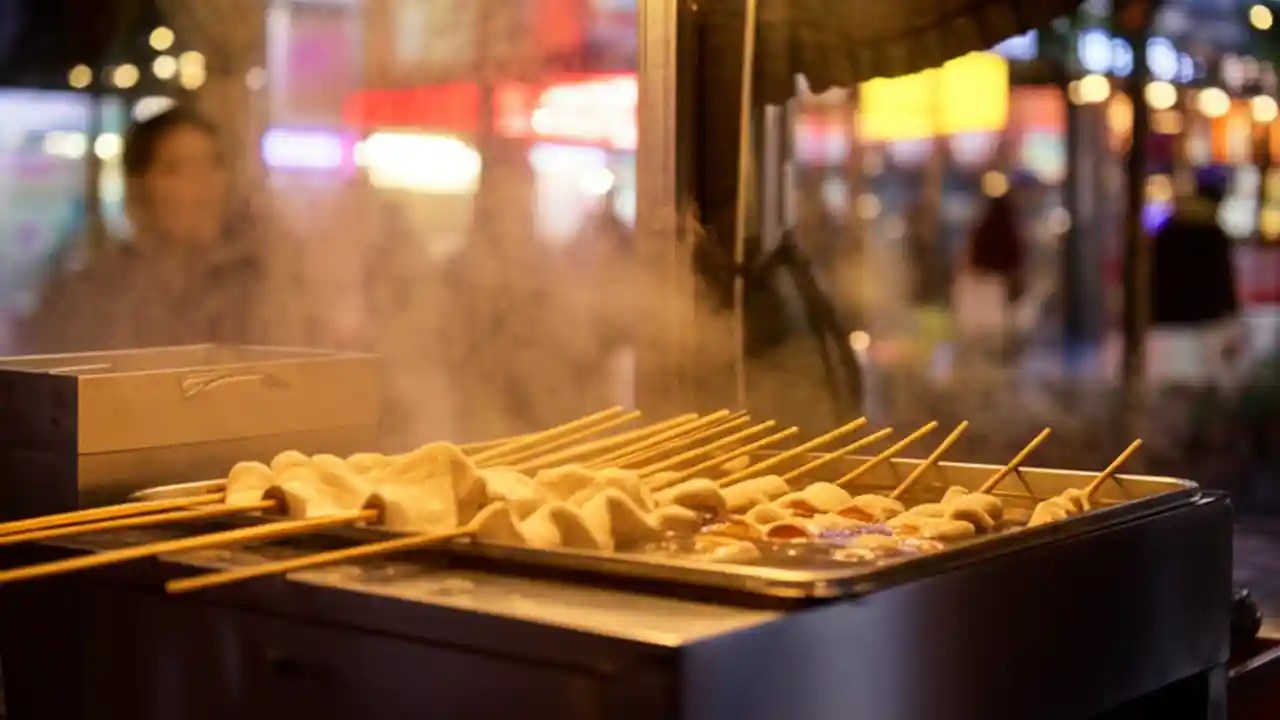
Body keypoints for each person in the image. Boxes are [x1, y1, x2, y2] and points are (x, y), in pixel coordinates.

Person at [20, 106, 310, 353]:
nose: (204, 186)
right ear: (137, 186)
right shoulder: (89, 296)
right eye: (178, 168)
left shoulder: (258, 287)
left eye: (213, 164)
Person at [1148, 168, 1243, 387]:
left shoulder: (1167, 230)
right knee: (1202, 388)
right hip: (1206, 324)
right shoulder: (1213, 234)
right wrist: (1231, 315)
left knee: (1172, 388)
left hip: (1165, 323)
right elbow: (1223, 282)